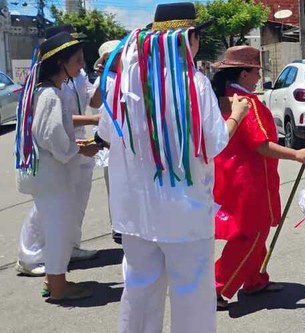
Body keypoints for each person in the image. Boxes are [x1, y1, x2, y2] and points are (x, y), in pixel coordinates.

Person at [97, 3, 250, 332]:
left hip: (137, 214)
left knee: (139, 291)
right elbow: (214, 143)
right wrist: (236, 115)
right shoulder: (193, 83)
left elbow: (106, 134)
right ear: (190, 38)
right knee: (191, 295)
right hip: (186, 214)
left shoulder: (124, 83)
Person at [210, 45, 305, 311]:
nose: (258, 77)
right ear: (244, 73)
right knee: (250, 234)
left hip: (239, 175)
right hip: (248, 178)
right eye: (256, 71)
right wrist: (296, 154)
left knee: (256, 232)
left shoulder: (229, 97)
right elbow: (261, 144)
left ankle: (255, 279)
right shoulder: (246, 103)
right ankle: (216, 288)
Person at [14, 31, 102, 300]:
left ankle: (54, 281)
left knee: (56, 227)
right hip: (52, 175)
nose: (81, 66)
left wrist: (77, 146)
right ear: (60, 64)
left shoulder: (47, 91)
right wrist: (80, 149)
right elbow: (51, 137)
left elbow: (51, 133)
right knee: (58, 230)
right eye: (77, 60)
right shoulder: (50, 94)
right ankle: (59, 286)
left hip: (47, 173)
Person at [94, 40, 122, 244]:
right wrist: (102, 77)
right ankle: (118, 226)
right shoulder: (106, 78)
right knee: (114, 184)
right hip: (108, 140)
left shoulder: (128, 76)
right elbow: (94, 102)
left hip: (124, 139)